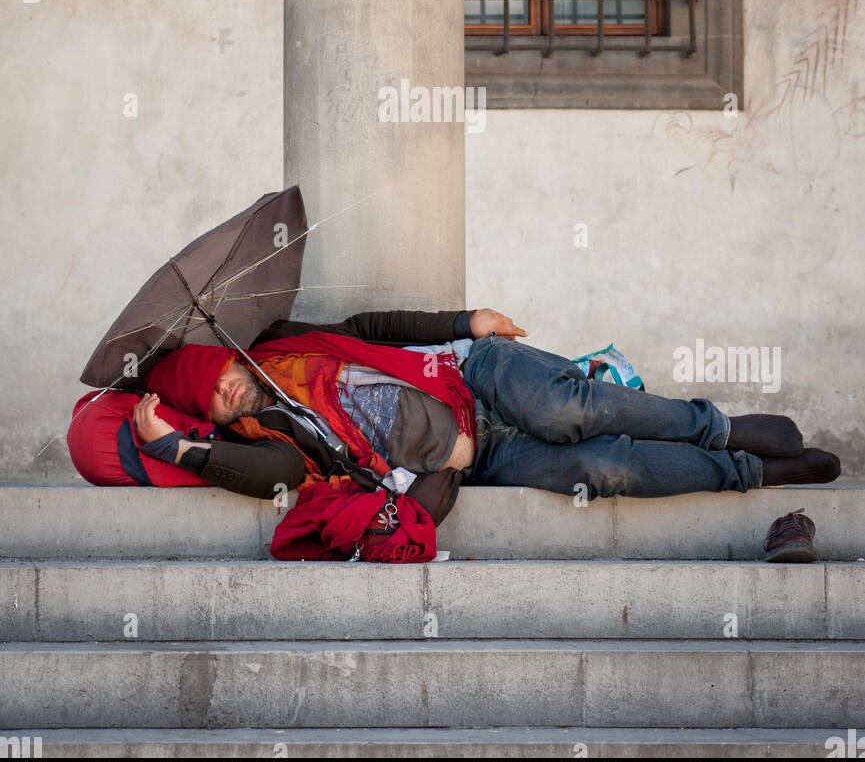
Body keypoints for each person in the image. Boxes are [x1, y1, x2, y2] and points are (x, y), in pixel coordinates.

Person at [67, 306, 841, 503]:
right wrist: (175, 447)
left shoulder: (283, 346)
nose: (228, 389)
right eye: (213, 399)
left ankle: (716, 425)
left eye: (222, 374)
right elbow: (274, 475)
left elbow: (373, 327)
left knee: (565, 410)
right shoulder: (265, 439)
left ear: (232, 357)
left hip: (472, 375)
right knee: (602, 470)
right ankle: (750, 473)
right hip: (476, 455)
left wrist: (464, 321)